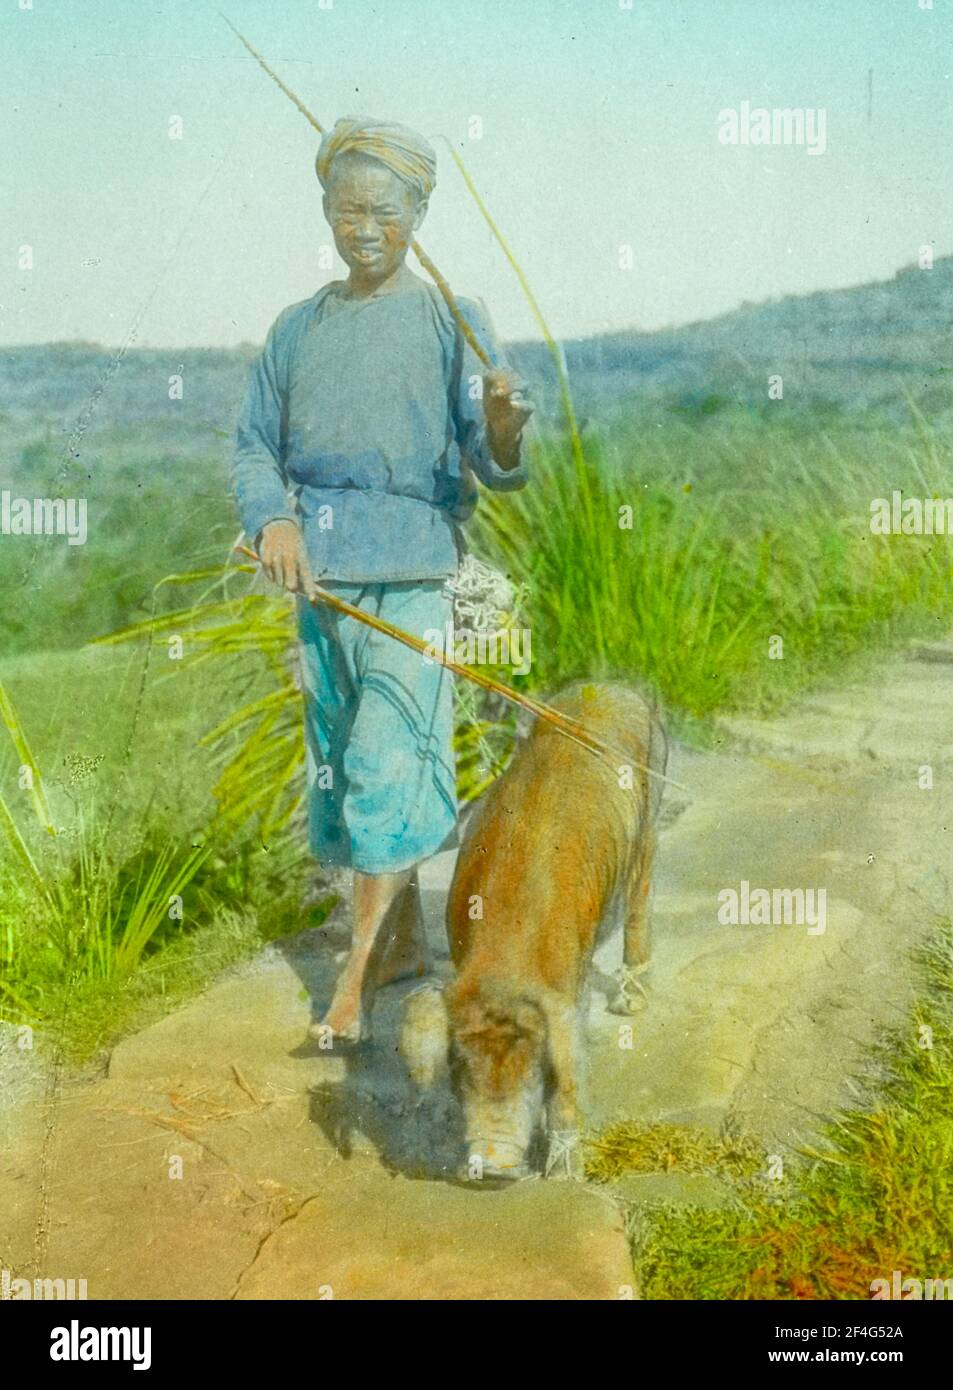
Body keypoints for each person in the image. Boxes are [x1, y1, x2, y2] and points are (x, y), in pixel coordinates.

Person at [233, 116, 532, 1043]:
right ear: (325, 208)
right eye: (346, 207)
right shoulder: (296, 329)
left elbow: (497, 461)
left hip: (412, 572)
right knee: (340, 772)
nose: (364, 226)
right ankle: (398, 944)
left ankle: (352, 989)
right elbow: (252, 448)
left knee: (386, 765)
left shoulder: (452, 318)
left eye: (386, 210)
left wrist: (504, 421)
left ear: (420, 214)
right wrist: (273, 519)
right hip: (320, 582)